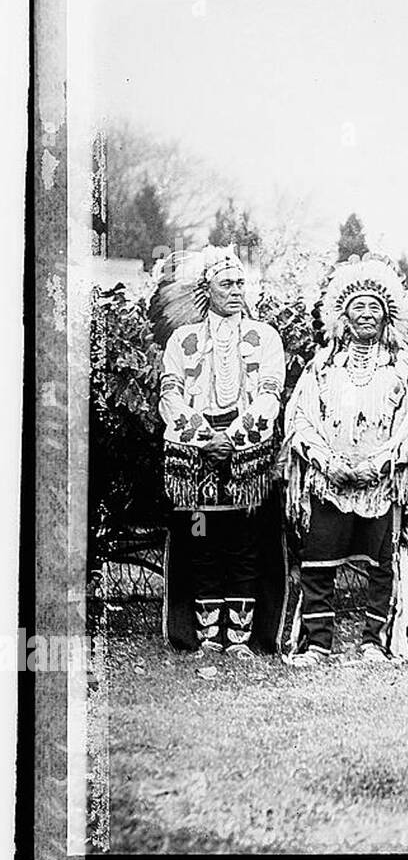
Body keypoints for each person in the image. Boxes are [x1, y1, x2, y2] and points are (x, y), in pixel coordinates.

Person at [282, 254, 408, 666]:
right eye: (358, 307)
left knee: (381, 565)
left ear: (388, 317)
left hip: (381, 481)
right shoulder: (322, 367)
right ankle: (317, 643)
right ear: (342, 315)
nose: (366, 314)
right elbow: (301, 419)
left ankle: (374, 641)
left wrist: (382, 462)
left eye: (375, 308)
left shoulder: (403, 368)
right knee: (317, 563)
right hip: (329, 480)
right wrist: (326, 460)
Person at [153, 246, 288, 659]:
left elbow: (271, 393)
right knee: (201, 540)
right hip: (194, 457)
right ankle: (206, 637)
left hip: (247, 454)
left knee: (246, 545)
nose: (235, 291)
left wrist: (235, 435)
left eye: (240, 284)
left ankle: (242, 639)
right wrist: (201, 436)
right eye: (226, 284)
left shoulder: (265, 337)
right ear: (204, 290)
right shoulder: (184, 339)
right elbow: (170, 393)